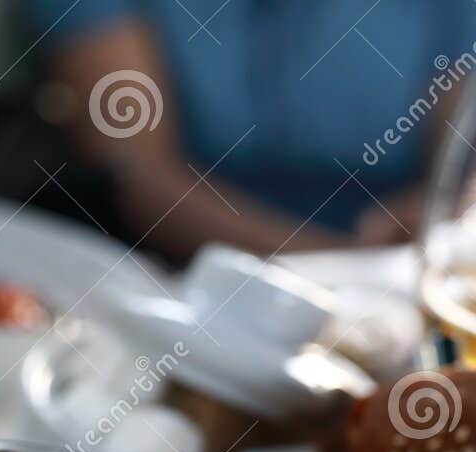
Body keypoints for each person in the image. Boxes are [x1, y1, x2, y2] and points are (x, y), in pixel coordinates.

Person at [24, 0, 476, 260]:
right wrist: (338, 266)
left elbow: (458, 162)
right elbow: (138, 176)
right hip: (179, 278)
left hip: (398, 285)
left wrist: (443, 213)